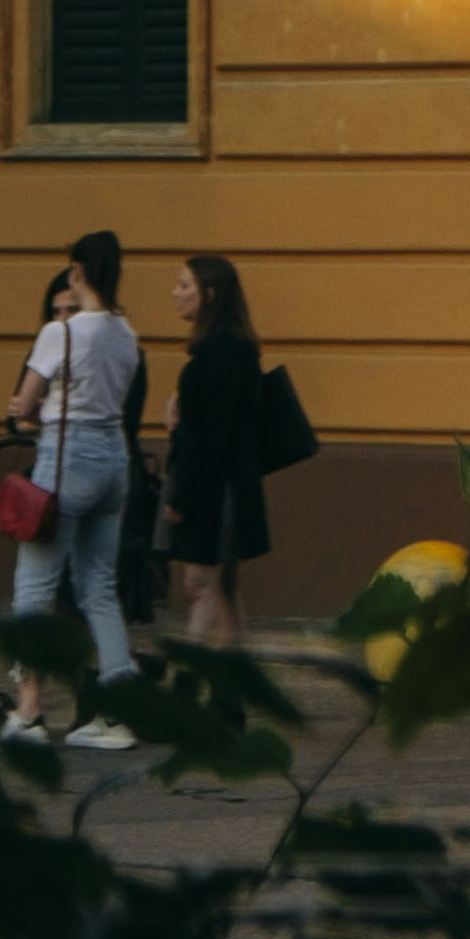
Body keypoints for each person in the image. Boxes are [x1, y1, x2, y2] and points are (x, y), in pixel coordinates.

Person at [0, 228, 144, 746]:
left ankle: (30, 712)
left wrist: (25, 408)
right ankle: (116, 714)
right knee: (99, 589)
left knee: (35, 588)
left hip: (66, 457)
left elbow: (25, 400)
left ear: (77, 272)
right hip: (114, 460)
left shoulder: (60, 333)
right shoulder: (127, 335)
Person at [157, 252, 269, 647]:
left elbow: (212, 437)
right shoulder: (229, 351)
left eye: (184, 285)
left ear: (210, 294)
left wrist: (182, 498)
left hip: (214, 490)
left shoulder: (220, 354)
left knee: (201, 582)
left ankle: (186, 684)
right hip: (222, 486)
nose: (176, 293)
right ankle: (232, 686)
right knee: (221, 586)